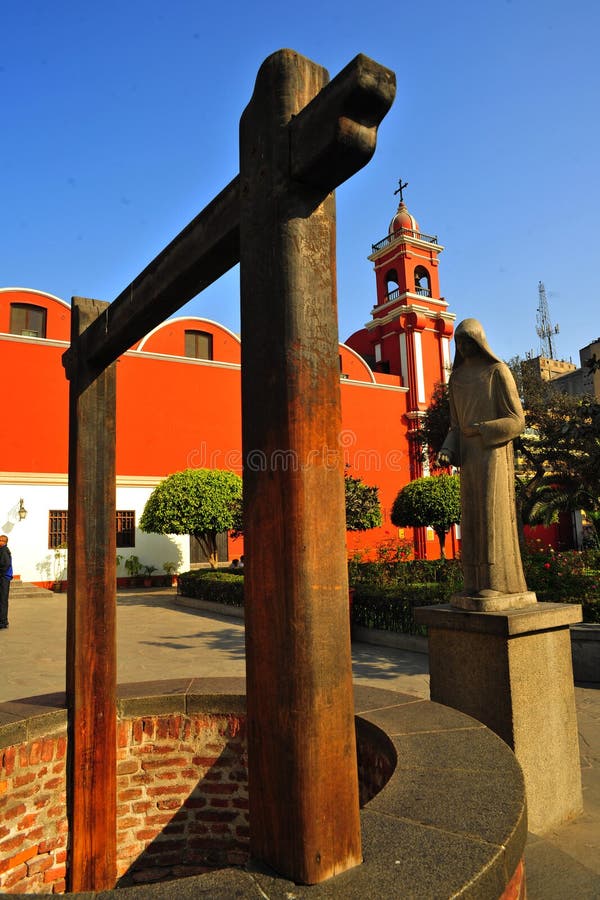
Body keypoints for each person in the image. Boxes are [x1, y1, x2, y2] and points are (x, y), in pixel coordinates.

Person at [437, 319, 529, 599]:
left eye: (468, 342)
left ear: (479, 342)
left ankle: (497, 582)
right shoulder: (456, 379)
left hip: (492, 453)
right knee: (471, 515)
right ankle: (474, 580)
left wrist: (483, 429)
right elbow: (455, 425)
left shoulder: (497, 372)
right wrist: (448, 449)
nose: (463, 347)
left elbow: (517, 421)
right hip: (468, 455)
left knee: (491, 513)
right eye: (459, 343)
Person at [0, 534, 13, 629]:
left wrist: (1, 573)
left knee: (3, 600)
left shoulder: (4, 551)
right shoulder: (2, 550)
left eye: (0, 540)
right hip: (3, 577)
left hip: (4, 578)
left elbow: (6, 564)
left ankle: (3, 622)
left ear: (4, 542)